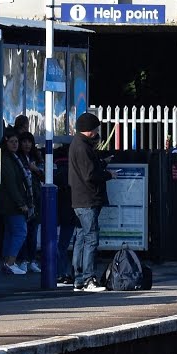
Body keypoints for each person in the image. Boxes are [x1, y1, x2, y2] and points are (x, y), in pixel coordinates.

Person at [69, 112, 112, 292]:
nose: (97, 132)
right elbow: (90, 174)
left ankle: (78, 279)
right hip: (88, 199)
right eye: (95, 129)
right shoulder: (83, 147)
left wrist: (101, 162)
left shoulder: (76, 144)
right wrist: (109, 174)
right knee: (91, 239)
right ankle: (89, 279)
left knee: (80, 238)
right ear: (90, 130)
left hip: (79, 199)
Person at [0, 128, 33, 276]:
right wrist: (21, 203)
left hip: (8, 203)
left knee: (10, 233)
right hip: (12, 204)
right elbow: (11, 184)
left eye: (16, 141)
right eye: (12, 142)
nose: (15, 144)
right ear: (6, 142)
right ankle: (10, 262)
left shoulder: (12, 158)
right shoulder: (8, 160)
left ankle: (7, 262)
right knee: (20, 232)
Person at [15, 131, 45, 273]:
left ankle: (32, 260)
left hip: (35, 199)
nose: (27, 144)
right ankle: (23, 259)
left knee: (33, 232)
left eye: (29, 142)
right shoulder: (18, 159)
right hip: (24, 198)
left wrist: (35, 169)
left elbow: (45, 176)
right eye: (24, 141)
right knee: (23, 232)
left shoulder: (36, 158)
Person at [53, 141, 78, 287]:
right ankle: (69, 273)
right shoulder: (74, 170)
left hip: (56, 211)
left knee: (58, 245)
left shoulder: (55, 171)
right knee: (69, 243)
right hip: (71, 211)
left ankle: (60, 273)